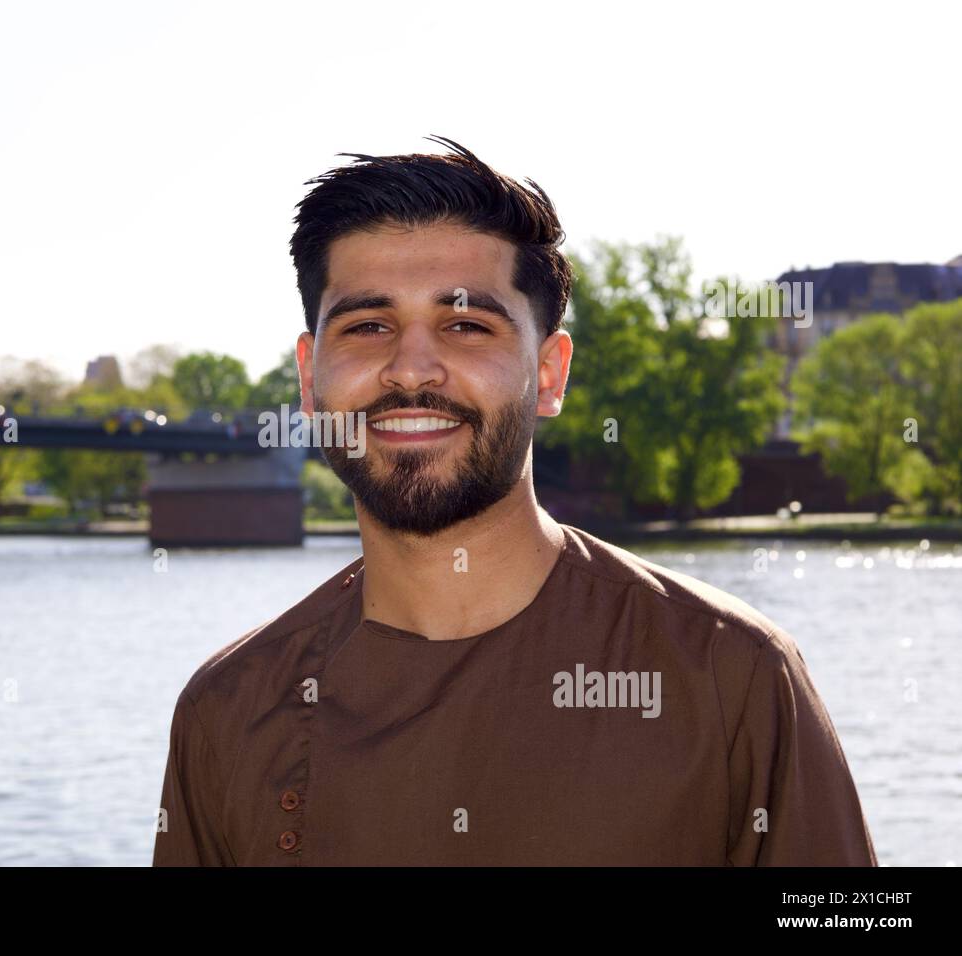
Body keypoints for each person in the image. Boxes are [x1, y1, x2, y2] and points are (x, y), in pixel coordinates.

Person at [152, 135, 878, 866]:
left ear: (550, 372)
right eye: (368, 325)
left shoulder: (729, 676)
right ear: (311, 380)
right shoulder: (229, 709)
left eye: (466, 325)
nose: (411, 370)